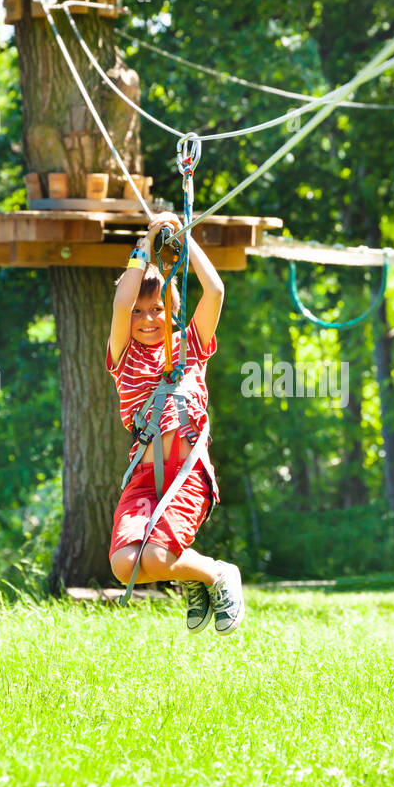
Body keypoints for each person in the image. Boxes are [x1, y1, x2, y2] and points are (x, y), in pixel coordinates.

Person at [106, 210, 245, 634]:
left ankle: (218, 574)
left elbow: (215, 290)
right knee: (124, 564)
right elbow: (121, 301)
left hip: (187, 475)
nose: (148, 318)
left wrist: (184, 241)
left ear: (174, 310)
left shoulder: (191, 347)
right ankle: (197, 575)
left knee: (158, 559)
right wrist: (147, 248)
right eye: (141, 312)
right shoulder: (123, 357)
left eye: (159, 308)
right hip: (145, 477)